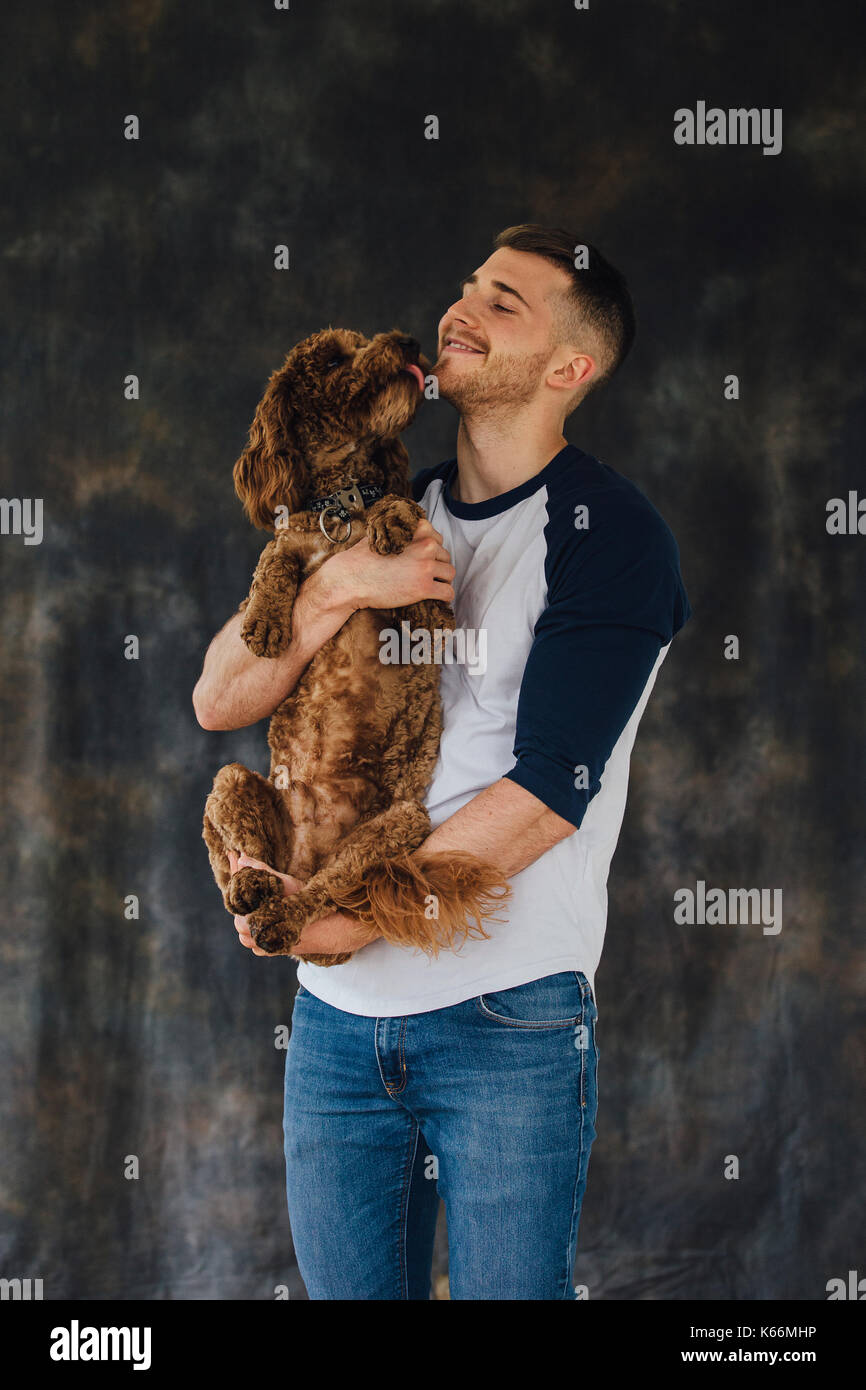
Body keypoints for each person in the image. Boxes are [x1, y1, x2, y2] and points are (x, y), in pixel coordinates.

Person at [193, 224, 692, 1300]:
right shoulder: (379, 512)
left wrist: (340, 916)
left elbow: (546, 792)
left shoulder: (609, 535)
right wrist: (333, 590)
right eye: (467, 284)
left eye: (503, 302)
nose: (460, 309)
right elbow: (218, 694)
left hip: (502, 1019)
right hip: (336, 1027)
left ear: (569, 369)